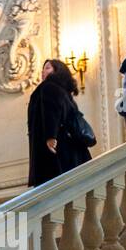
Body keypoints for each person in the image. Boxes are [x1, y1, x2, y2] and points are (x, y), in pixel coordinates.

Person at [27, 58, 96, 188]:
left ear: (57, 71)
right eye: (43, 68)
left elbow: (52, 111)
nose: (43, 71)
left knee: (52, 184)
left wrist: (50, 136)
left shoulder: (48, 86)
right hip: (69, 147)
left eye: (47, 68)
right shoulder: (63, 91)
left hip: (57, 146)